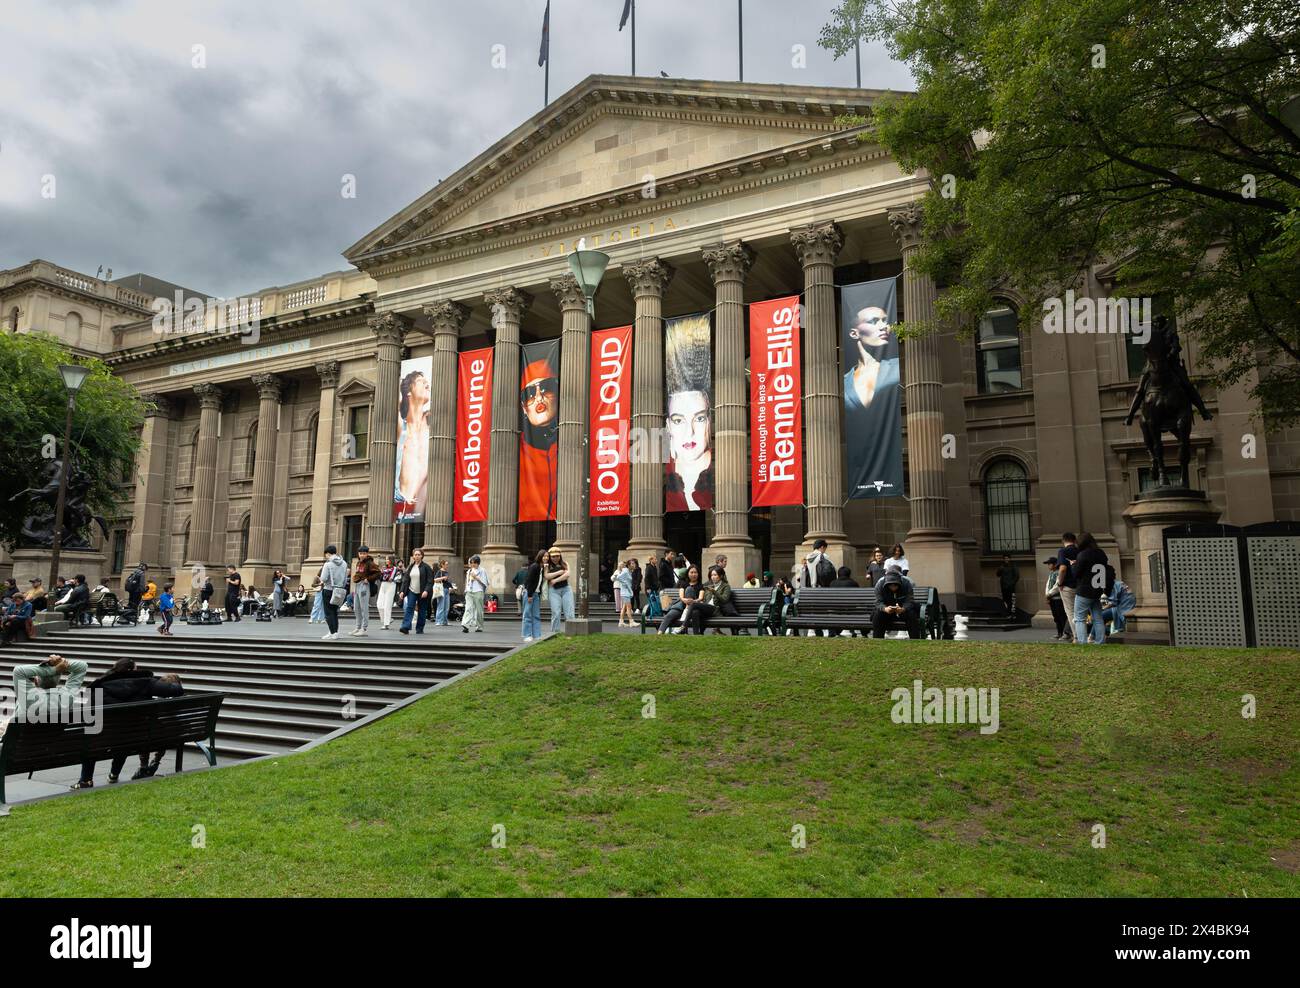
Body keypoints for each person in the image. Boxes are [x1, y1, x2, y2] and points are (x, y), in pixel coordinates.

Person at [73, 667, 184, 789]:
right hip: (136, 738)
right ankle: (114, 774)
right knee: (123, 739)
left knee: (93, 740)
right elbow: (177, 689)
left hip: (103, 739)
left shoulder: (98, 690)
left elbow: (91, 720)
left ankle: (86, 780)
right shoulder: (144, 683)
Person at [664, 318, 713, 511]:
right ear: (668, 426)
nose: (689, 432)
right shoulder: (668, 479)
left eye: (699, 418)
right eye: (678, 420)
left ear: (710, 420)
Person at [519, 355, 560, 522]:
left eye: (545, 388)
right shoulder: (518, 454)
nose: (538, 398)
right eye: (529, 394)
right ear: (523, 407)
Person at [394, 369, 431, 520]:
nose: (428, 385)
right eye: (422, 381)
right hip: (402, 504)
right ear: (408, 391)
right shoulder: (401, 427)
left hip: (426, 503)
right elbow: (392, 391)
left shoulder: (431, 426)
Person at [1071, 532, 1111, 645]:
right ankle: (1100, 641)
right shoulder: (1101, 553)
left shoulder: (1082, 555)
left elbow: (1076, 574)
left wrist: (1074, 565)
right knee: (1098, 617)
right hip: (1097, 589)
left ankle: (1083, 643)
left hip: (1084, 590)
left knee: (1079, 618)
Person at [872, 570, 921, 639]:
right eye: (890, 585)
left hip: (903, 609)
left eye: (895, 585)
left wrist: (903, 609)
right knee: (877, 615)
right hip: (887, 610)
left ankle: (915, 640)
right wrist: (885, 609)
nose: (893, 587)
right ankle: (877, 640)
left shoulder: (906, 583)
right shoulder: (880, 585)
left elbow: (910, 600)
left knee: (911, 614)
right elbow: (878, 602)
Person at [398, 548, 434, 635]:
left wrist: (426, 591)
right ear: (413, 556)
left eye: (418, 554)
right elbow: (406, 580)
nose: (417, 556)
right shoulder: (410, 567)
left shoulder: (426, 567)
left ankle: (420, 628)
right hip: (411, 591)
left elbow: (430, 581)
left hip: (422, 592)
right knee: (409, 608)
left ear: (422, 556)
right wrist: (402, 591)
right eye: (415, 555)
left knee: (422, 610)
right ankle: (405, 627)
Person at [658, 565, 702, 634]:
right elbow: (681, 596)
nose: (693, 574)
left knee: (689, 589)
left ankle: (682, 629)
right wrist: (685, 600)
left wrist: (693, 602)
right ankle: (659, 633)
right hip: (681, 606)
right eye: (691, 572)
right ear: (688, 573)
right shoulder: (684, 583)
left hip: (692, 608)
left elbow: (700, 598)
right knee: (670, 615)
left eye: (695, 572)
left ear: (698, 574)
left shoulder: (700, 585)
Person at [689, 566, 732, 634]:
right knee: (695, 612)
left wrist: (714, 592)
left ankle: (683, 626)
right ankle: (697, 634)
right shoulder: (709, 586)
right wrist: (702, 601)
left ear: (720, 576)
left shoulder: (726, 586)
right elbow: (706, 599)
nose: (713, 577)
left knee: (694, 604)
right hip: (707, 609)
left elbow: (724, 600)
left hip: (716, 610)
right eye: (712, 575)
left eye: (715, 575)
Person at [318, 545, 348, 641]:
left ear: (327, 553)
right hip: (339, 590)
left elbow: (323, 578)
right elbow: (345, 578)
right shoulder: (344, 563)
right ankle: (335, 632)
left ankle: (332, 632)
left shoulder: (328, 564)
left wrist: (320, 580)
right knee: (335, 612)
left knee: (328, 613)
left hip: (328, 589)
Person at [1055, 533, 1081, 644]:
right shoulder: (1080, 551)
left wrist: (1060, 583)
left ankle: (1077, 637)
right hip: (1080, 585)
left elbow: (1062, 569)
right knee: (1081, 612)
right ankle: (1085, 635)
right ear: (1074, 540)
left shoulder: (1063, 551)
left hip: (1067, 586)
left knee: (1070, 612)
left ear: (1063, 541)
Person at [351, 545, 380, 637]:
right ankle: (358, 627)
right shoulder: (359, 562)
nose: (362, 555)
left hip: (364, 585)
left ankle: (364, 628)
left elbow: (378, 573)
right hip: (357, 585)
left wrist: (369, 579)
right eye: (360, 553)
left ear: (367, 554)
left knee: (364, 608)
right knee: (356, 607)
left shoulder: (370, 563)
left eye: (364, 553)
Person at [520, 550, 547, 642]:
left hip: (536, 594)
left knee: (536, 615)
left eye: (547, 557)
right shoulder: (534, 566)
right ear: (540, 557)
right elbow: (529, 581)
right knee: (527, 614)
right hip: (529, 593)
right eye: (544, 556)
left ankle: (537, 635)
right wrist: (530, 595)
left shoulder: (542, 568)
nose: (546, 558)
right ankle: (527, 635)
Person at [545, 549, 573, 632]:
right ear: (550, 557)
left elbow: (567, 575)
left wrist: (555, 580)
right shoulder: (547, 566)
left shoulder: (565, 563)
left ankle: (571, 632)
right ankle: (554, 633)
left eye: (557, 556)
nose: (555, 558)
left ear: (560, 556)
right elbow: (546, 576)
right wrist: (560, 572)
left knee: (569, 613)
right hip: (553, 590)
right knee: (556, 613)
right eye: (553, 556)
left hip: (566, 589)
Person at [1043, 557, 1069, 641]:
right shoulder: (1051, 573)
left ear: (1055, 564)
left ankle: (1065, 633)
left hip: (1058, 598)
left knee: (1061, 616)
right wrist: (1047, 595)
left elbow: (1057, 586)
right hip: (1052, 598)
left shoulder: (1058, 573)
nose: (1048, 566)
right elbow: (1048, 585)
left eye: (1049, 564)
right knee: (1056, 617)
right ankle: (1059, 632)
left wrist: (1049, 594)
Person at [461, 555, 487, 633]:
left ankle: (479, 626)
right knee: (468, 608)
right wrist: (466, 589)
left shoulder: (482, 570)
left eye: (474, 563)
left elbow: (485, 582)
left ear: (478, 563)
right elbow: (467, 581)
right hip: (469, 591)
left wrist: (476, 577)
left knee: (479, 610)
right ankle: (465, 624)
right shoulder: (469, 571)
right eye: (471, 563)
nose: (472, 565)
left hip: (478, 591)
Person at [377, 556, 400, 630]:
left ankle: (386, 624)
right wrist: (381, 573)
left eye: (388, 559)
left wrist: (385, 575)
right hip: (383, 585)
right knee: (379, 604)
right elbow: (381, 578)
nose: (386, 560)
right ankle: (388, 619)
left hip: (391, 585)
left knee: (387, 605)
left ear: (391, 560)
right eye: (386, 559)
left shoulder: (395, 568)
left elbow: (391, 578)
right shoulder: (384, 568)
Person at [613, 560, 634, 627]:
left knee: (624, 608)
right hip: (625, 592)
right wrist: (624, 583)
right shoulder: (625, 571)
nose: (634, 565)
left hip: (626, 592)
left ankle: (621, 621)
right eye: (632, 563)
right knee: (628, 607)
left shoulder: (627, 571)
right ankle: (631, 621)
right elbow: (618, 577)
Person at [431, 557, 452, 626]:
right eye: (446, 564)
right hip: (441, 589)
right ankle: (439, 621)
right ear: (442, 565)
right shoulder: (439, 571)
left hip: (446, 590)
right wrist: (442, 578)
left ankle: (444, 621)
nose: (447, 566)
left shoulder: (446, 572)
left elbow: (447, 582)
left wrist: (451, 587)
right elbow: (435, 580)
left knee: (446, 606)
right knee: (441, 606)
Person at [643, 552, 662, 620]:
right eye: (655, 559)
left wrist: (658, 585)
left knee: (655, 601)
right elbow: (646, 578)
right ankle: (651, 616)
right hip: (650, 588)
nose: (656, 560)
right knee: (652, 602)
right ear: (651, 560)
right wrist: (648, 588)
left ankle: (654, 614)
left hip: (655, 588)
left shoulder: (654, 567)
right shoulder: (649, 567)